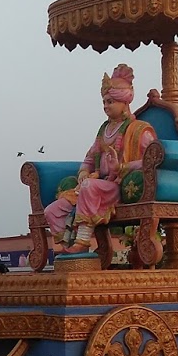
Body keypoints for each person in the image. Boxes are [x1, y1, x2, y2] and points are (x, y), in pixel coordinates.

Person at [43, 63, 155, 257]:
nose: (106, 106)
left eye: (110, 102)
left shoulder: (139, 130)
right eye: (104, 102)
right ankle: (67, 244)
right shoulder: (104, 130)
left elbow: (153, 160)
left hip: (117, 187)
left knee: (89, 187)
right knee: (53, 210)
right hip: (96, 185)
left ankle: (82, 241)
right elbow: (89, 157)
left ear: (124, 102)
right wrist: (84, 172)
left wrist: (121, 166)